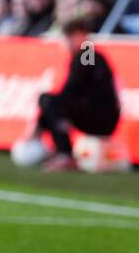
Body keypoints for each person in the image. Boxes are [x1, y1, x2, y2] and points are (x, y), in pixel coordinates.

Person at [33, 17, 123, 172]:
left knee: (49, 101)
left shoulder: (87, 55)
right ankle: (59, 151)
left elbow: (70, 91)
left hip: (100, 118)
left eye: (68, 36)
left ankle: (65, 154)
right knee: (51, 103)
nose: (65, 42)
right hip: (99, 114)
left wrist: (39, 124)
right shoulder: (89, 54)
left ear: (80, 35)